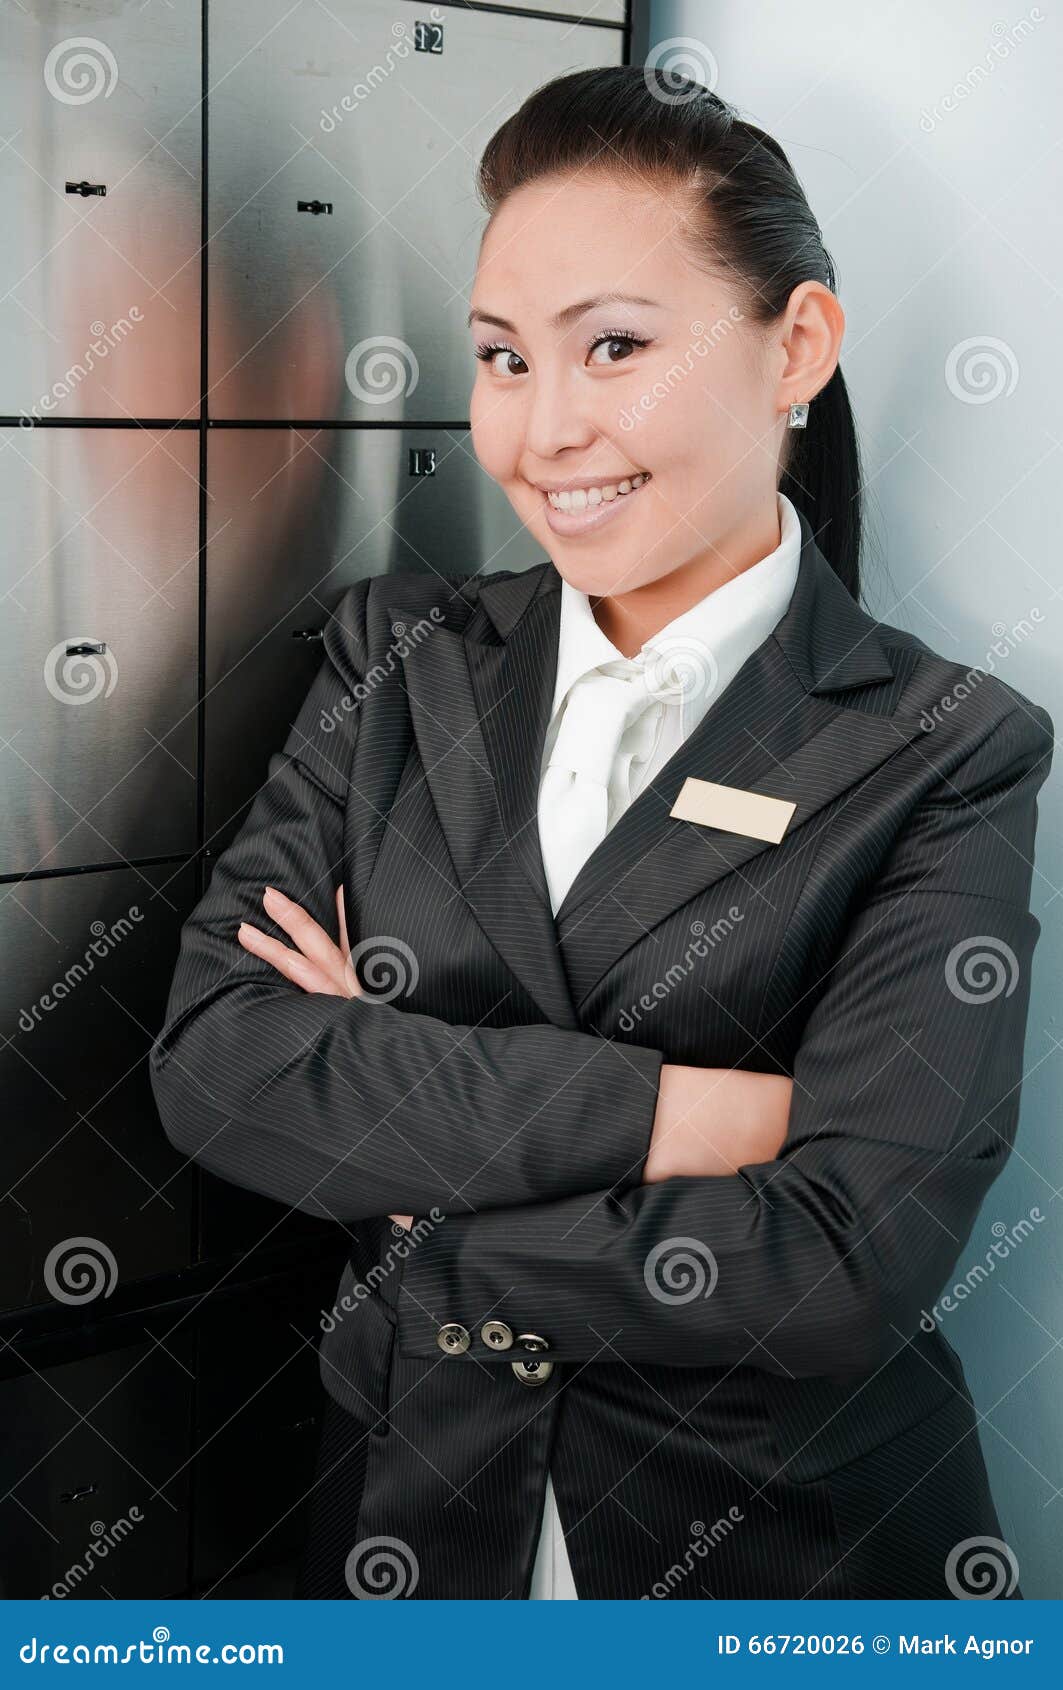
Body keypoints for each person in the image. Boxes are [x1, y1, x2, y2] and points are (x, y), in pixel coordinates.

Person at [150, 67, 1052, 1601]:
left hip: (783, 1562)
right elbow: (216, 1066)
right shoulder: (397, 654)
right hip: (411, 1536)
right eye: (503, 358)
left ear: (799, 348)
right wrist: (684, 1117)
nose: (544, 429)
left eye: (615, 347)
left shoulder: (943, 746)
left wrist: (419, 1210)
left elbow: (846, 1255)